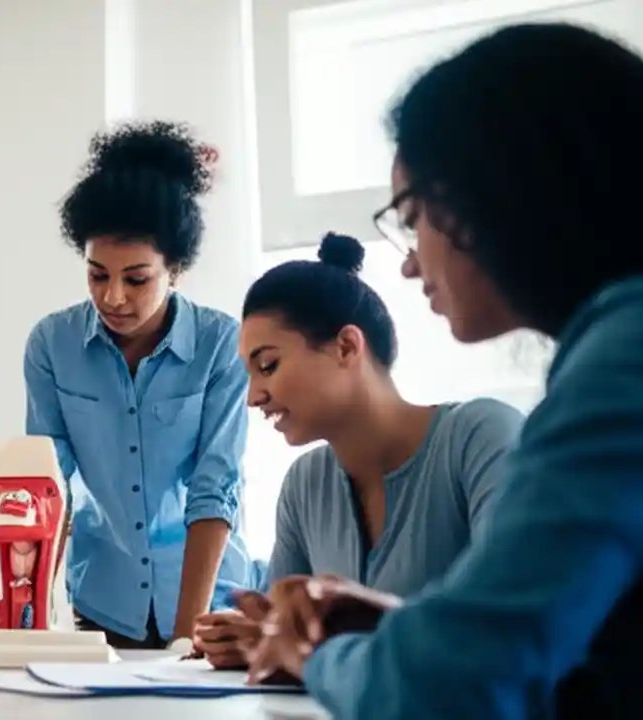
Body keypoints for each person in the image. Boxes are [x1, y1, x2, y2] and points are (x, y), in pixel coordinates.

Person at [244, 23, 643, 719]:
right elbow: (560, 646)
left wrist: (315, 657)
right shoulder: (613, 346)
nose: (408, 260)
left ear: (496, 194)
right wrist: (402, 630)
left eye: (413, 215)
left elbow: (453, 685)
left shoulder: (619, 361)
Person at [194, 232, 522, 669]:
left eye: (268, 365)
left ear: (347, 347)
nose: (254, 397)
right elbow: (282, 634)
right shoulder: (304, 485)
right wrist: (251, 641)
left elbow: (514, 619)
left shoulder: (480, 438)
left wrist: (309, 645)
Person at [1, 121, 259, 648]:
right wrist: (28, 612)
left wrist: (187, 638)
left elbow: (215, 488)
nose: (113, 297)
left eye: (137, 278)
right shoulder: (52, 346)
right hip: (103, 605)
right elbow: (50, 487)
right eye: (97, 275)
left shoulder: (220, 346)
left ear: (176, 269)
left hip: (210, 601)